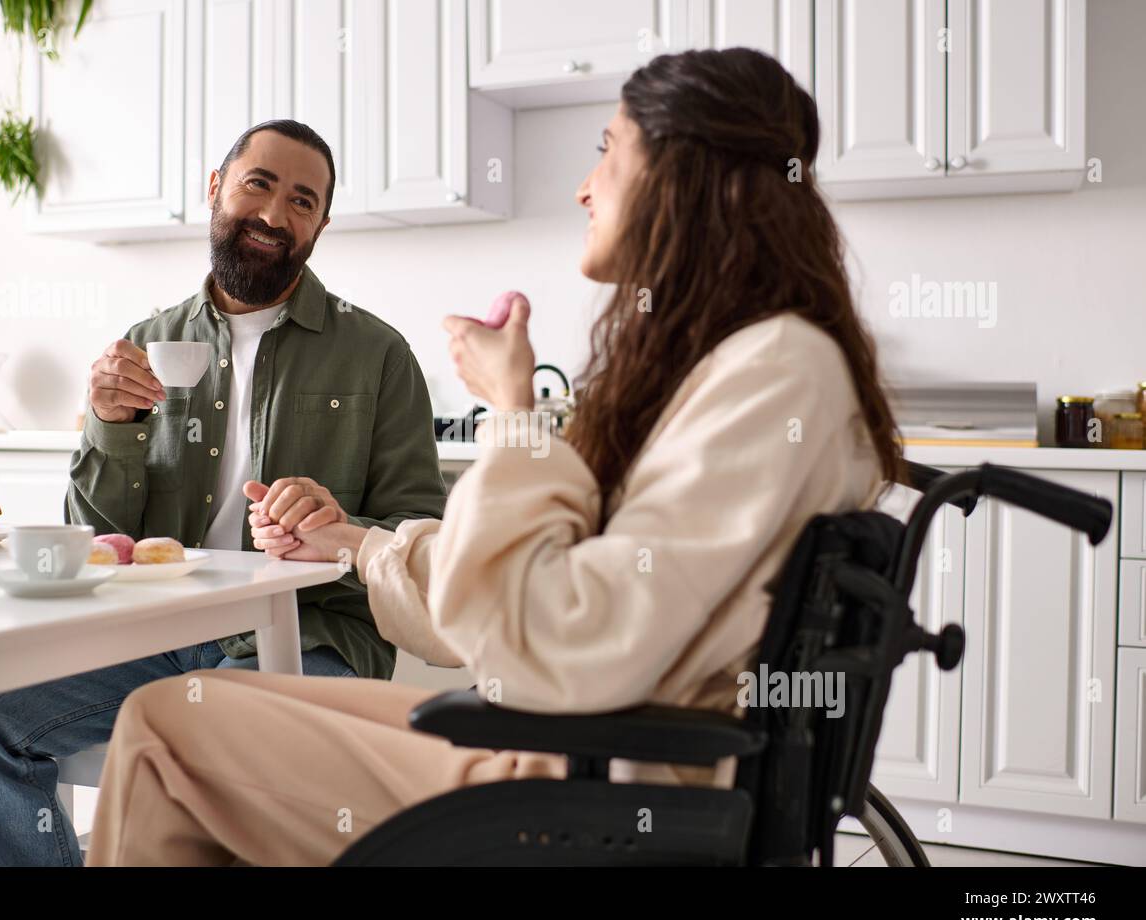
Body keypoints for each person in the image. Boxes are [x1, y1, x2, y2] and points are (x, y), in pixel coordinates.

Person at [84, 47, 904, 866]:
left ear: (684, 174)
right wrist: (357, 545)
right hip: (579, 743)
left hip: (586, 779)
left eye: (609, 151)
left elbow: (557, 643)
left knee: (162, 729)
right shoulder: (753, 365)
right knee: (192, 705)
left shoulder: (772, 372)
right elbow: (549, 595)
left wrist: (513, 418)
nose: (585, 187)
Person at [0, 120, 448, 866]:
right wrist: (109, 424)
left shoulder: (378, 354)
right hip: (155, 635)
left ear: (321, 226)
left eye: (302, 200)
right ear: (215, 190)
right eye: (258, 184)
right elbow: (98, 541)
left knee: (203, 736)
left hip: (311, 634)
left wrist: (340, 525)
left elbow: (422, 531)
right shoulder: (149, 340)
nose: (273, 213)